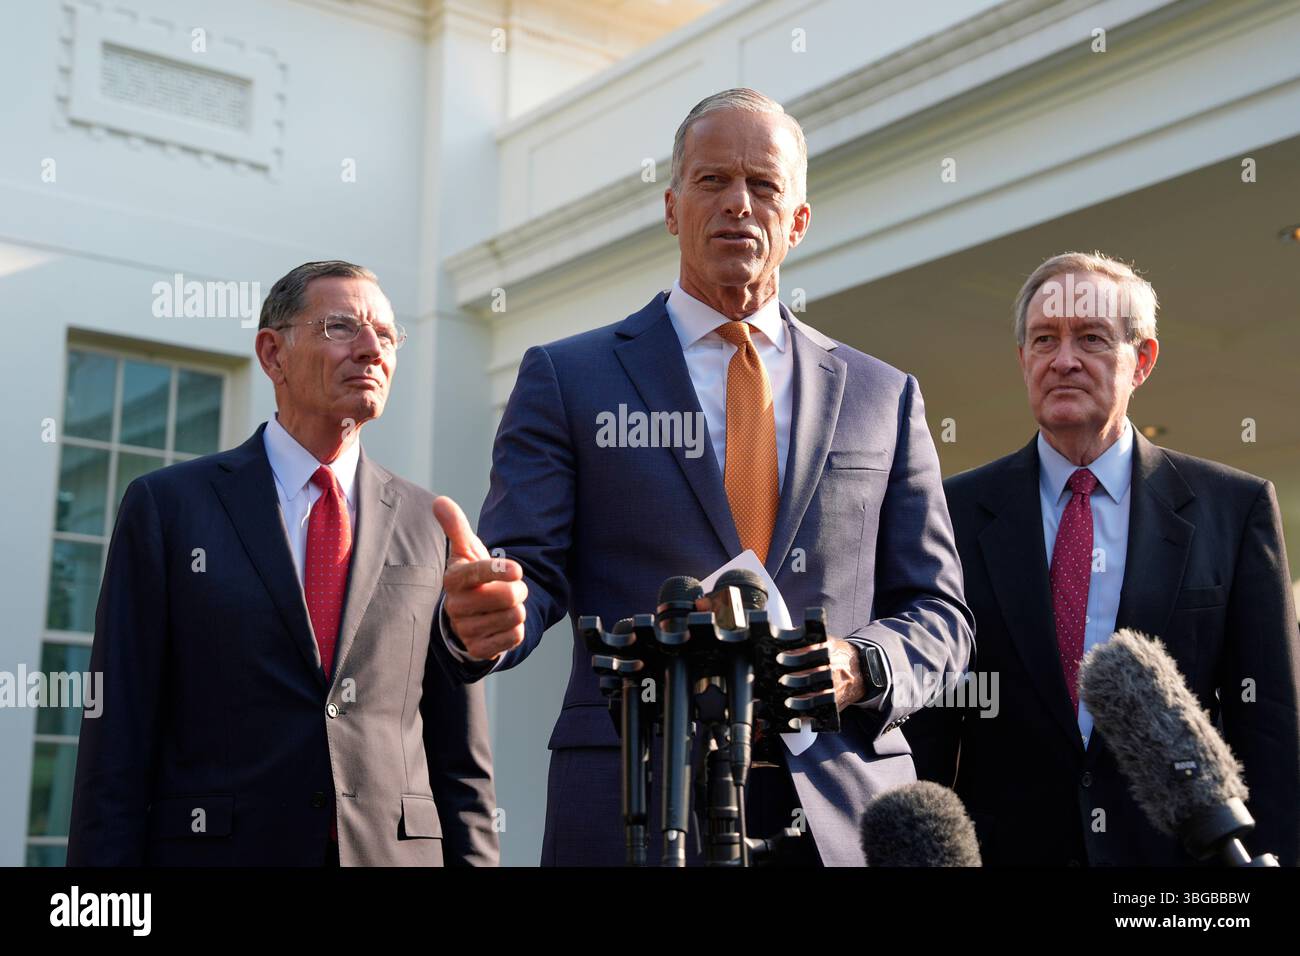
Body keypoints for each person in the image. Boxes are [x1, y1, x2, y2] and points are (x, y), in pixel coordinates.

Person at [433, 89, 973, 866]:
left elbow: (939, 611)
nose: (737, 205)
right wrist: (486, 616)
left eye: (764, 186)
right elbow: (528, 575)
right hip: (633, 805)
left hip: (841, 811)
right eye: (713, 181)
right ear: (672, 205)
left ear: (798, 221)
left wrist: (864, 665)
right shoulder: (568, 377)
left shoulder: (884, 395)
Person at [68, 260, 498, 866]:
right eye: (342, 327)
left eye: (388, 334)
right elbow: (117, 735)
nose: (372, 349)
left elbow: (462, 758)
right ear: (273, 354)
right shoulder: (168, 508)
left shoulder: (433, 522)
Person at [915, 251, 1300, 865]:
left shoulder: (1235, 508)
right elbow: (929, 727)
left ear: (1141, 360)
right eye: (1044, 340)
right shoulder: (951, 512)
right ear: (1023, 360)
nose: (1063, 360)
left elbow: (1272, 727)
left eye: (1090, 338)